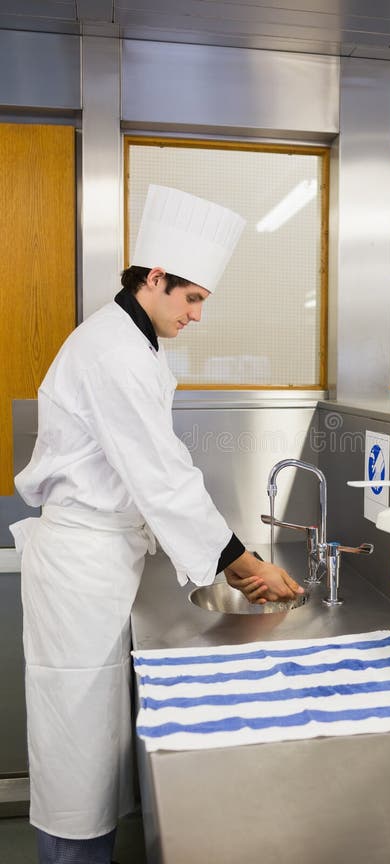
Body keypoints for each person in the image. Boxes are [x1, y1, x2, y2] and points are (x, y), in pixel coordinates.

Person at [10, 184, 303, 864]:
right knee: (74, 751)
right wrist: (245, 563)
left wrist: (233, 555)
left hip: (100, 564)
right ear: (155, 279)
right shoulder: (113, 350)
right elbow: (162, 477)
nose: (197, 314)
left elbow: (156, 474)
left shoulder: (130, 346)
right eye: (192, 298)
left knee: (92, 745)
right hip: (80, 569)